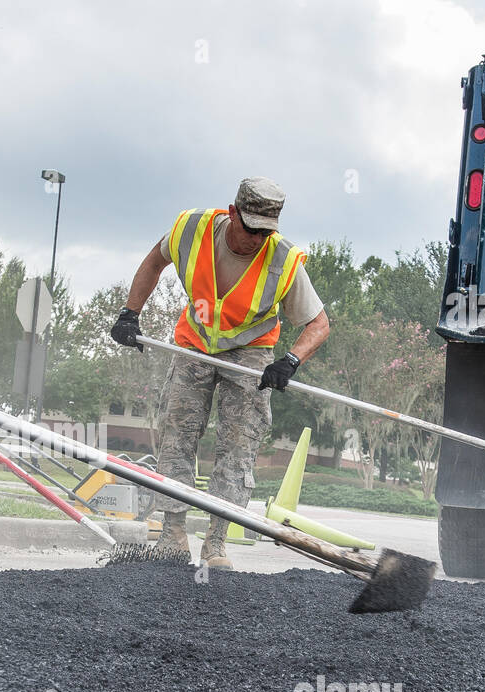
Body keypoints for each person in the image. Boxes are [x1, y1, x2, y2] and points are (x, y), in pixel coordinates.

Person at [109, 177, 330, 568]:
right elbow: (153, 262)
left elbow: (318, 323)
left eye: (267, 232)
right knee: (177, 435)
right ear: (232, 214)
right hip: (195, 342)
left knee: (238, 447)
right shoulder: (191, 228)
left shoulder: (283, 259)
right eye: (251, 229)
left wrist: (290, 361)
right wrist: (131, 312)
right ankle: (173, 535)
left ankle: (216, 543)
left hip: (250, 354)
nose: (258, 239)